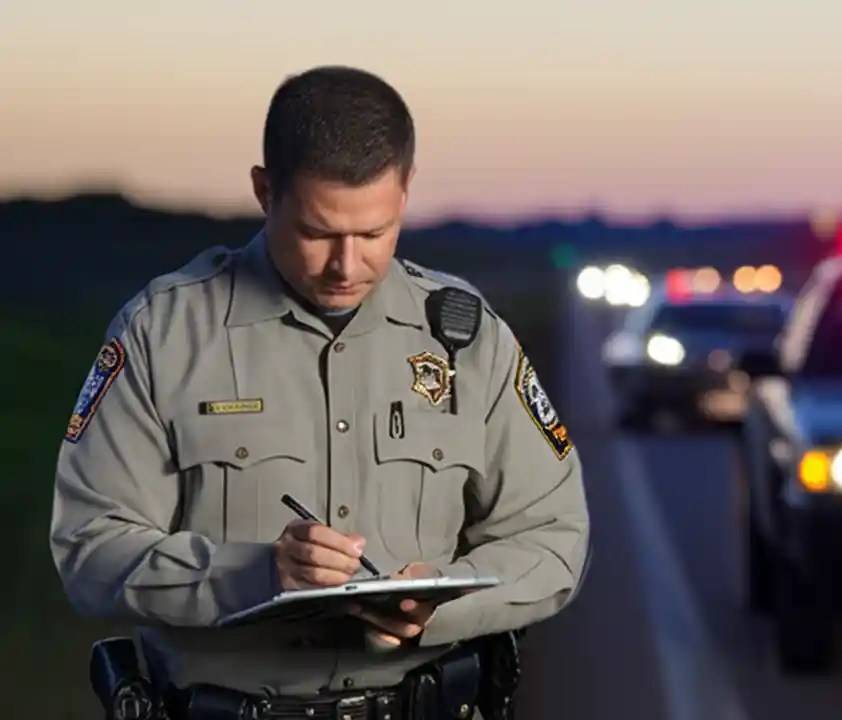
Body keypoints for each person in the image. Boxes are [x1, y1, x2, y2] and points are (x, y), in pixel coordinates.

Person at [49, 65, 590, 719]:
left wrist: (441, 607)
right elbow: (88, 549)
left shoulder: (466, 336)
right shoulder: (164, 334)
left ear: (406, 191)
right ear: (264, 190)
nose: (347, 265)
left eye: (374, 234)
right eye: (318, 233)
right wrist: (254, 574)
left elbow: (554, 538)